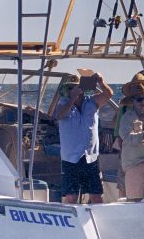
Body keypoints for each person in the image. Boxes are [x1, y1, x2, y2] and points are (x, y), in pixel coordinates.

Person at [48, 71, 113, 204]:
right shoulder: (63, 104)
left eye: (77, 87)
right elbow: (58, 116)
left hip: (90, 157)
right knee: (71, 197)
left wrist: (101, 81)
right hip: (71, 159)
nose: (75, 90)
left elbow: (108, 94)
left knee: (96, 195)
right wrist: (72, 98)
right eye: (71, 88)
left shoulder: (92, 102)